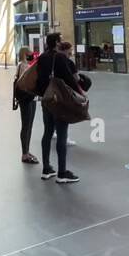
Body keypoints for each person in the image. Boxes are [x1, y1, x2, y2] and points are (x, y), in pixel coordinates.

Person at [35, 32, 83, 183]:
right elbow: (70, 79)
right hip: (60, 101)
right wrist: (81, 93)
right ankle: (62, 172)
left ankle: (46, 168)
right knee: (62, 134)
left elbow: (39, 78)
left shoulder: (42, 57)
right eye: (60, 40)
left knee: (47, 132)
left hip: (46, 99)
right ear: (56, 42)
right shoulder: (60, 57)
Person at [14, 47, 38, 165]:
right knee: (26, 125)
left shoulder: (26, 64)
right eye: (29, 52)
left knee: (29, 125)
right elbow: (26, 81)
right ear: (25, 53)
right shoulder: (23, 65)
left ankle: (27, 151)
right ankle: (24, 153)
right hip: (26, 98)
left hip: (30, 97)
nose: (31, 54)